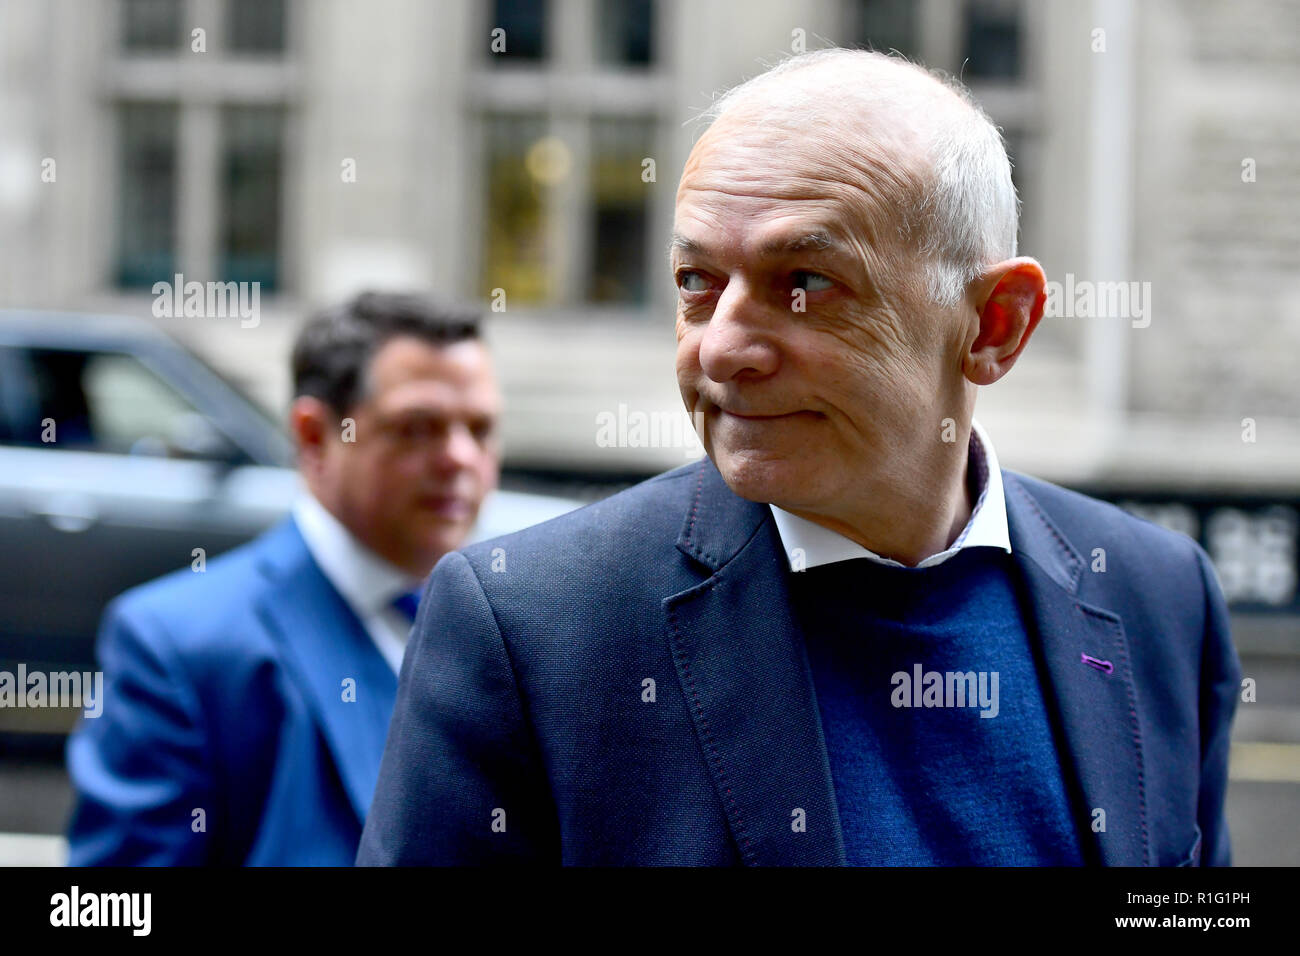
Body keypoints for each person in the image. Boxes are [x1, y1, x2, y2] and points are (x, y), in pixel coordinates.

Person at [357, 50, 1241, 867]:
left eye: (806, 285)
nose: (722, 349)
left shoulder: (1158, 597)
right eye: (698, 283)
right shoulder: (530, 629)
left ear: (995, 325)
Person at [66, 291, 504, 864]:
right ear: (313, 436)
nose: (460, 459)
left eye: (480, 429)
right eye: (417, 428)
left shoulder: (513, 627)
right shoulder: (176, 644)